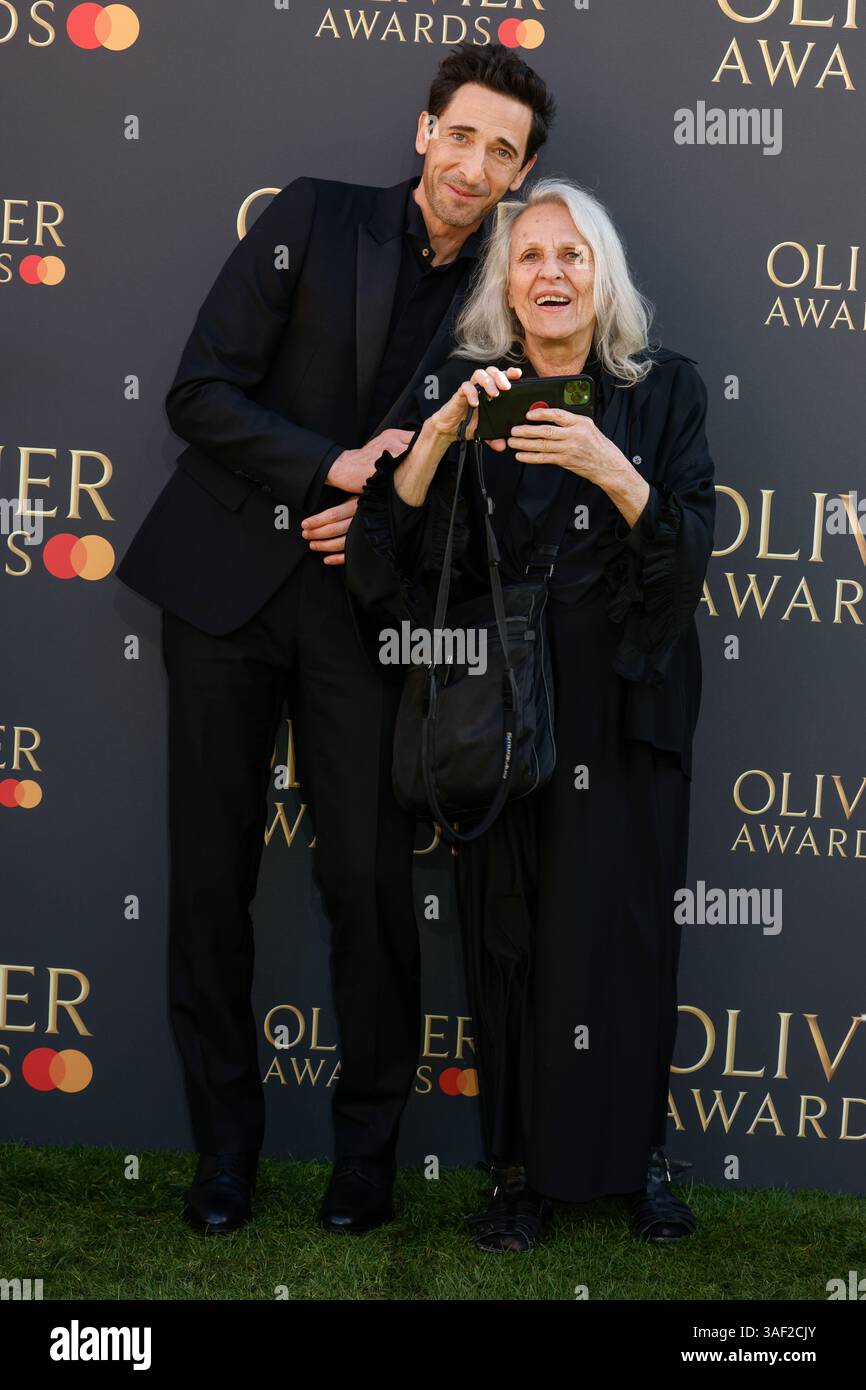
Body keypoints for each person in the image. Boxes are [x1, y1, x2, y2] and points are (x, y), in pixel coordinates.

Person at [113, 42, 555, 1236]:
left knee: (365, 886)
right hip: (226, 594)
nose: (472, 164)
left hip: (370, 620)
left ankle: (365, 1158)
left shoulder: (500, 312)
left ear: (517, 176)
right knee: (210, 883)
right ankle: (225, 1154)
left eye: (499, 151)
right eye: (458, 135)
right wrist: (328, 466)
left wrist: (383, 510)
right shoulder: (313, 217)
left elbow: (470, 500)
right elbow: (198, 394)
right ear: (424, 132)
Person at [345, 178, 716, 1250]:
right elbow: (383, 561)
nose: (550, 273)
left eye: (571, 255)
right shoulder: (463, 392)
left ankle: (636, 1162)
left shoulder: (661, 391)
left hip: (624, 706)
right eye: (528, 256)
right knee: (506, 936)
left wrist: (610, 467)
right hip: (500, 713)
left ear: (601, 278)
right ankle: (515, 1174)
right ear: (502, 285)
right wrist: (433, 439)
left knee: (626, 936)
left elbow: (685, 553)